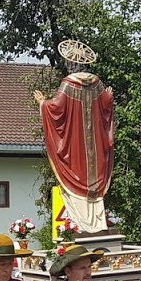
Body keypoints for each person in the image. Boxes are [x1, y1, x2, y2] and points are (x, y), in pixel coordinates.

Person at [33, 40, 114, 234]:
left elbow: (57, 107)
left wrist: (43, 103)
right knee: (94, 182)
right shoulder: (97, 84)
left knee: (74, 177)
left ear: (70, 63)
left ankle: (85, 226)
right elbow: (105, 106)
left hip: (76, 149)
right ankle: (99, 224)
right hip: (95, 148)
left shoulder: (68, 83)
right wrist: (108, 98)